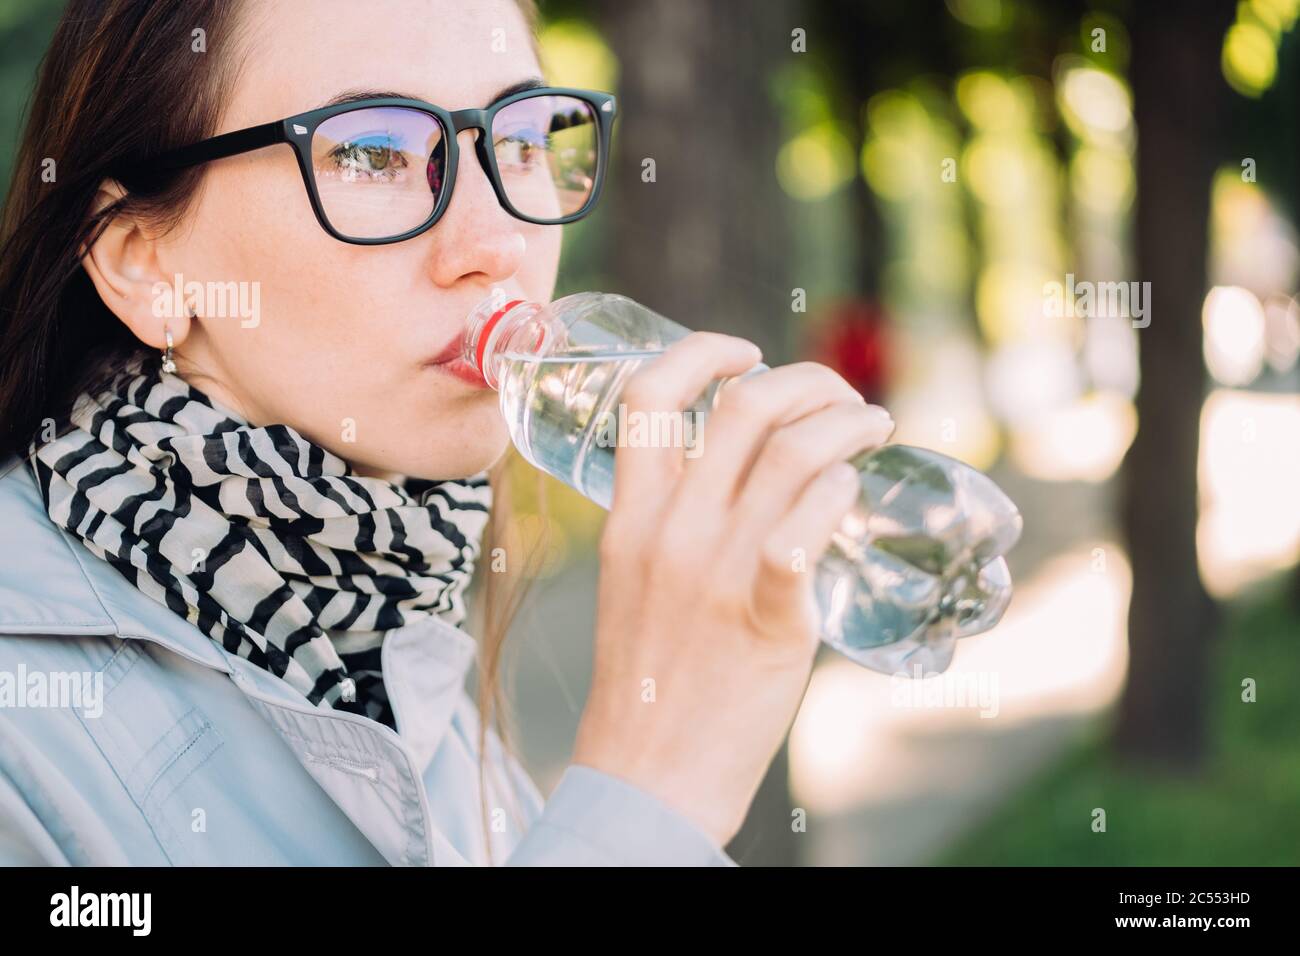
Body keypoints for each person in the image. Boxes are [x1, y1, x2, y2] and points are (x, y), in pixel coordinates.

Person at [0, 0, 893, 865]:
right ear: (141, 261)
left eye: (521, 137)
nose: (495, 243)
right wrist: (646, 794)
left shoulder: (388, 622)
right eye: (373, 151)